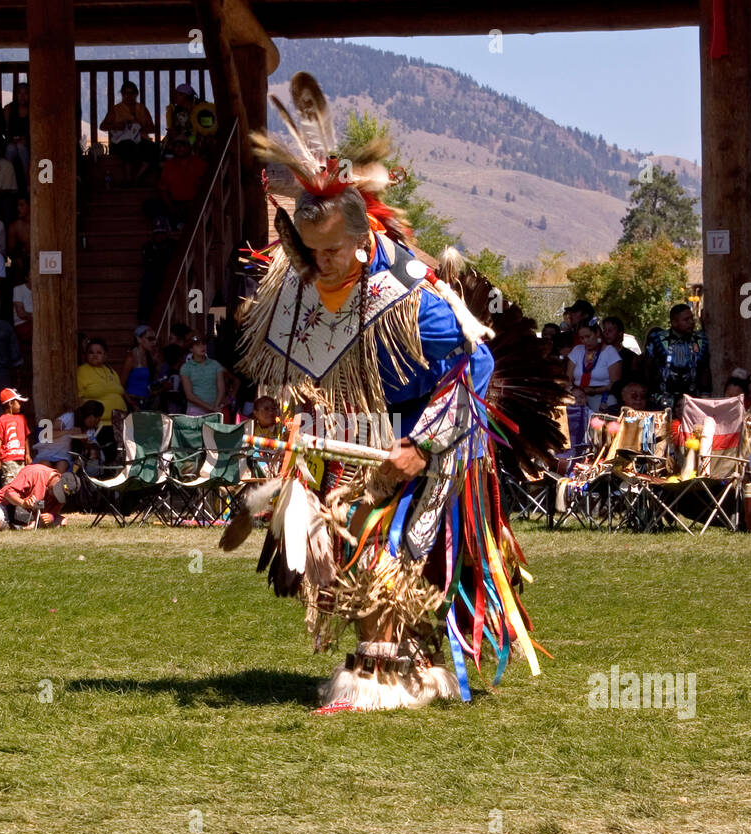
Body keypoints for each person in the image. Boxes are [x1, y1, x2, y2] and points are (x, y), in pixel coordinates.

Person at [223, 72, 567, 711]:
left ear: (362, 240)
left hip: (425, 429)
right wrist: (276, 403)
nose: (319, 260)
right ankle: (403, 665)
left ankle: (380, 675)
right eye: (309, 247)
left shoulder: (411, 302)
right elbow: (287, 361)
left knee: (393, 547)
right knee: (343, 539)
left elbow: (478, 365)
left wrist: (422, 446)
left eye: (332, 249)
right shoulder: (293, 288)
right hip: (350, 434)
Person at [646, 303, 710, 410]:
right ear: (674, 323)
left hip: (692, 400)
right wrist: (648, 393)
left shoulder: (700, 340)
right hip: (661, 399)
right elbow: (647, 367)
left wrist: (705, 394)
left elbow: (704, 368)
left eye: (692, 318)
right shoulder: (658, 338)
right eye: (686, 320)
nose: (691, 322)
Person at [99, 81, 157, 185]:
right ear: (122, 94)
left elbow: (153, 128)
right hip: (121, 142)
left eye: (132, 93)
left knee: (153, 148)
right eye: (126, 93)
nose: (129, 96)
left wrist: (141, 126)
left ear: (136, 94)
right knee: (129, 146)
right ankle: (128, 177)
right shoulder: (116, 109)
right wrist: (116, 126)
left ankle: (138, 176)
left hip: (140, 140)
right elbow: (102, 126)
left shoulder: (142, 109)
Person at [565, 321, 622, 412]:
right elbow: (568, 378)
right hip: (578, 398)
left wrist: (595, 391)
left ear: (597, 333)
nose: (585, 341)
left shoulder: (610, 352)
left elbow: (615, 384)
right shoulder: (577, 350)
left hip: (603, 399)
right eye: (582, 338)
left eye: (588, 336)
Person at [77, 338, 128, 425]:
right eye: (91, 352)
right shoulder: (82, 371)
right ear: (86, 355)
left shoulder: (111, 371)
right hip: (98, 424)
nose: (95, 355)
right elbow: (78, 399)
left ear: (105, 356)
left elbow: (120, 391)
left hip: (119, 422)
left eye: (99, 353)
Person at [180, 334, 229, 416]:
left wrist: (215, 407)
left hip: (216, 409)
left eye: (203, 344)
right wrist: (210, 407)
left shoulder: (215, 364)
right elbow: (189, 395)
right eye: (197, 345)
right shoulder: (186, 368)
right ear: (191, 349)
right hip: (195, 411)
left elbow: (221, 389)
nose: (202, 347)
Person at [0, 387, 31, 483]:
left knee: (22, 483)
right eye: (18, 402)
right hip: (8, 459)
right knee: (9, 484)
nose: (20, 404)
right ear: (10, 403)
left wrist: (28, 454)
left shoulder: (22, 418)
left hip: (21, 458)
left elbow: (26, 437)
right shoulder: (2, 420)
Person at [3, 82, 31, 184]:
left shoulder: (33, 109)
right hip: (11, 141)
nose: (22, 97)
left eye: (26, 93)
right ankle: (7, 181)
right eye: (20, 93)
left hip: (28, 143)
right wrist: (11, 139)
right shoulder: (9, 109)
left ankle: (27, 180)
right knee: (11, 149)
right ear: (16, 95)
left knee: (21, 148)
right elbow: (4, 130)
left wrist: (26, 139)